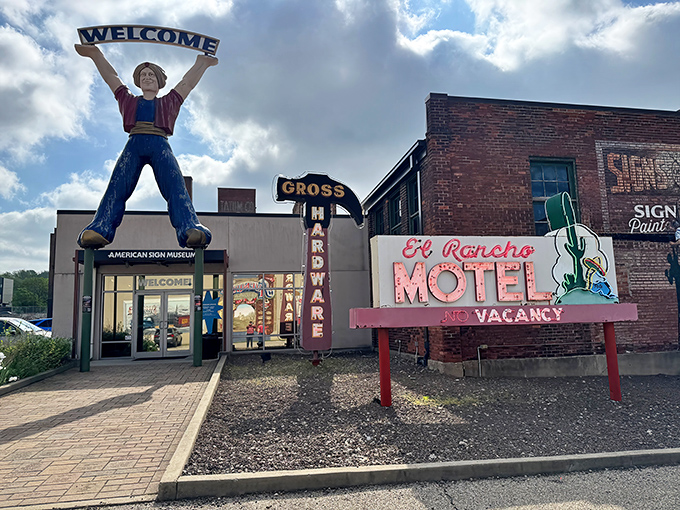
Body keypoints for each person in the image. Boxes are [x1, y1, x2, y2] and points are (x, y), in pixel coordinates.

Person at [73, 43, 218, 249]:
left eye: (151, 75)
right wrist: (96, 54)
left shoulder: (168, 101)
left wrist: (202, 64)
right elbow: (111, 78)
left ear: (159, 81)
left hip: (160, 144)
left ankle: (189, 227)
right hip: (134, 143)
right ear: (138, 82)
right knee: (117, 185)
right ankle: (100, 227)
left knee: (175, 185)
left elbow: (187, 83)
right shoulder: (128, 100)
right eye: (143, 75)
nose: (147, 78)